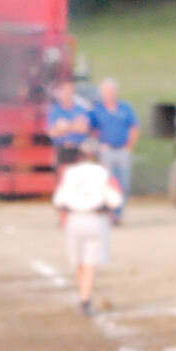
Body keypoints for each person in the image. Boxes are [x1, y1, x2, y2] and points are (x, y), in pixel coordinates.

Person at [52, 137, 123, 315]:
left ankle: (83, 295)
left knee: (78, 263)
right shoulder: (104, 173)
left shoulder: (70, 172)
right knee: (90, 263)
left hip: (74, 219)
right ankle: (85, 299)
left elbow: (59, 200)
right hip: (96, 219)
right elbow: (115, 200)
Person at [87, 79, 138, 223]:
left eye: (110, 92)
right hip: (106, 151)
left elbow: (134, 128)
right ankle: (108, 214)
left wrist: (129, 147)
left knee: (123, 184)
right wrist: (98, 145)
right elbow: (90, 128)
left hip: (122, 150)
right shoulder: (97, 110)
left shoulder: (125, 108)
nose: (107, 95)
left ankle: (119, 213)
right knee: (107, 183)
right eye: (105, 93)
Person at [47, 77, 92, 166]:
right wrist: (75, 125)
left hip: (78, 148)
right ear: (60, 93)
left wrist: (64, 126)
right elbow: (51, 133)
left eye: (70, 91)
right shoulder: (54, 111)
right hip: (60, 149)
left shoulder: (81, 109)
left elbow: (84, 129)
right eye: (65, 91)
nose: (68, 94)